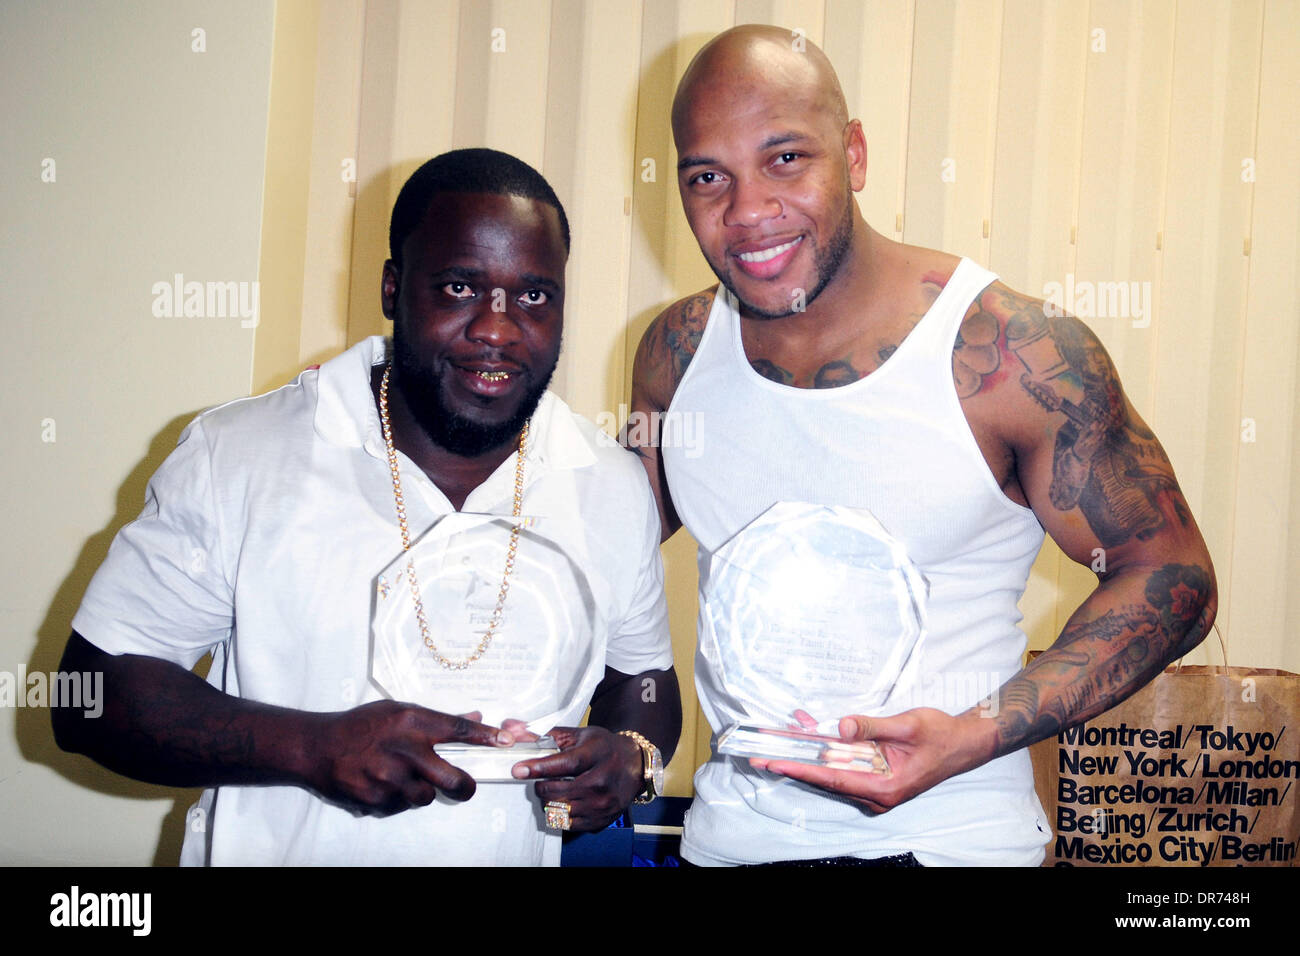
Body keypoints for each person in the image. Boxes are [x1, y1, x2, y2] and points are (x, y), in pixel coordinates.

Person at [626, 25, 1215, 866]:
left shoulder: (1011, 352)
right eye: (708, 176)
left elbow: (1174, 574)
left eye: (786, 158)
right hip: (729, 844)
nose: (749, 209)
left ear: (855, 155)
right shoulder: (674, 354)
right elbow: (610, 554)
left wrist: (972, 736)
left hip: (951, 845)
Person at [53, 148, 680, 866]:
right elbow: (86, 697)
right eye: (458, 288)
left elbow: (645, 682)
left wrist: (630, 759)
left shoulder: (607, 484)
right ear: (393, 288)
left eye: (534, 296)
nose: (498, 329)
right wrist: (309, 747)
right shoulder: (242, 455)